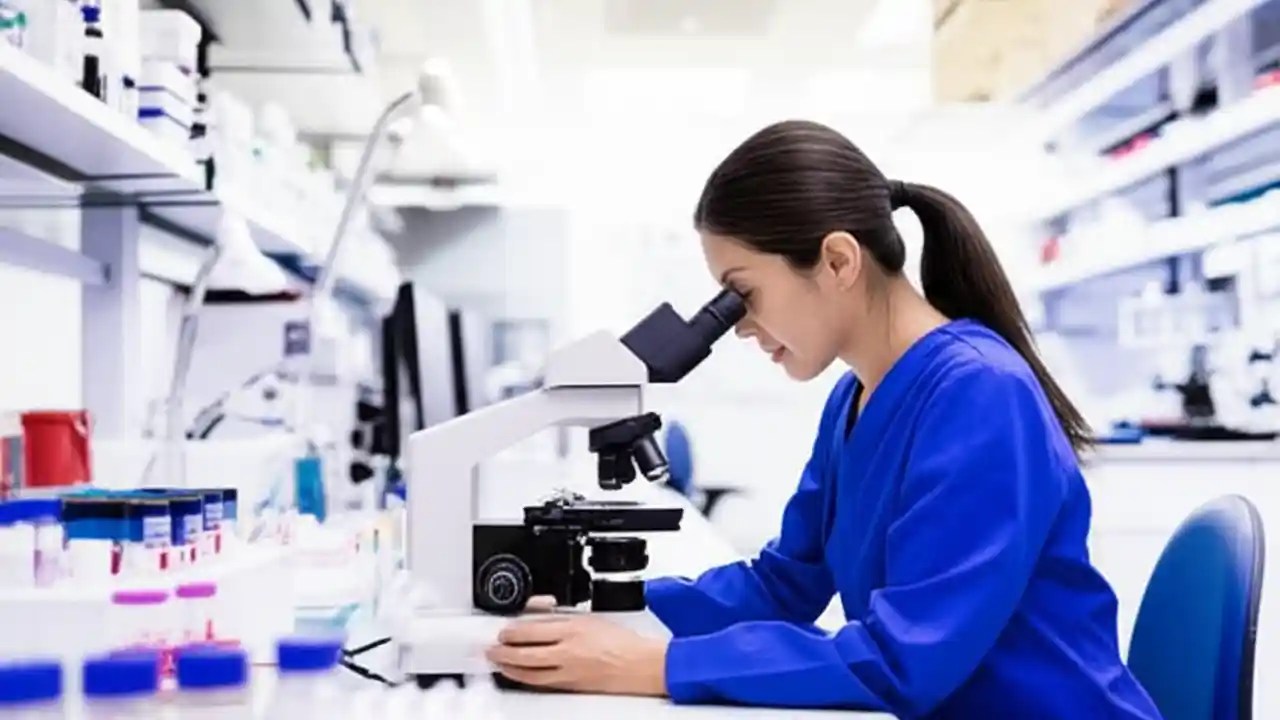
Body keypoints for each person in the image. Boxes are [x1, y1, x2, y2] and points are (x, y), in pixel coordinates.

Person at [486, 120, 1163, 719]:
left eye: (741, 295)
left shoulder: (979, 393)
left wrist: (646, 666)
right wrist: (607, 611)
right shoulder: (855, 398)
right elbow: (783, 583)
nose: (738, 328)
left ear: (838, 260)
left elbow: (905, 661)